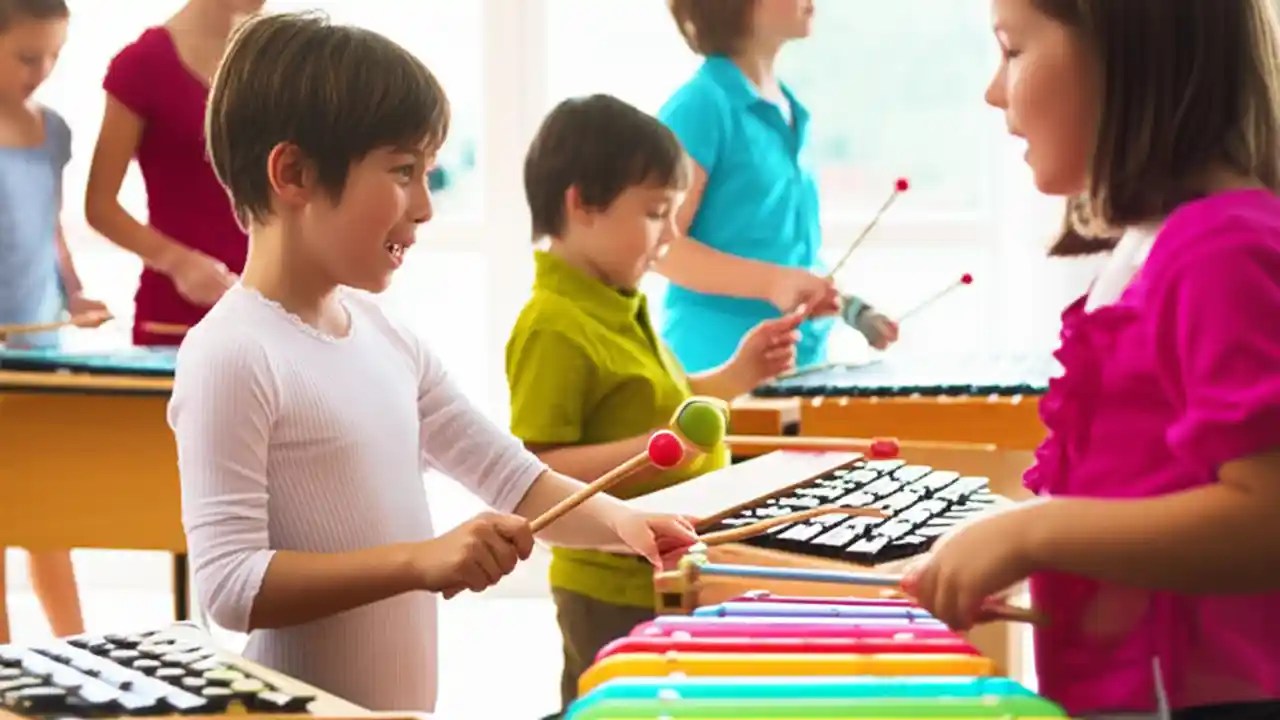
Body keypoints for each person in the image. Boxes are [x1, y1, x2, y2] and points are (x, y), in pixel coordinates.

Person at [168, 12, 698, 713]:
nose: (424, 207)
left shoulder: (388, 338)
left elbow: (512, 475)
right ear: (292, 172)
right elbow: (231, 587)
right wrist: (421, 559)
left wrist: (624, 527)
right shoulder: (231, 353)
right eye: (403, 171)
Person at [903, 0, 1280, 717]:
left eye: (1012, 51)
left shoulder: (1222, 250)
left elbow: (1270, 517)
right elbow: (1138, 493)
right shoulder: (1154, 246)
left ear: (1127, 54)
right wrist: (1003, 542)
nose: (993, 90)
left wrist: (1032, 534)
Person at [507, 93, 803, 716]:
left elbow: (667, 406)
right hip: (610, 583)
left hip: (669, 567)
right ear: (582, 202)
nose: (669, 236)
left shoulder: (619, 304)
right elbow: (536, 470)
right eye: (654, 214)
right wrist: (658, 451)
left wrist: (734, 374)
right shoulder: (552, 325)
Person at [653, 0, 897, 375]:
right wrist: (773, 283)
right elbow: (661, 247)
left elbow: (785, 252)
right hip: (715, 370)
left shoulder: (791, 109)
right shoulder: (699, 107)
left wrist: (851, 309)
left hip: (799, 366)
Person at [0, 0, 101, 645]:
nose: (42, 70)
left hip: (39, 346)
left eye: (54, 57)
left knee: (49, 517)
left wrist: (77, 294)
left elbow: (50, 227)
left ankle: (79, 656)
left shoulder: (56, 130)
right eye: (26, 57)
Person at [84, 0, 264, 347]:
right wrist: (179, 263)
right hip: (180, 310)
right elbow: (100, 206)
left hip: (273, 304)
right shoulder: (141, 65)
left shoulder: (283, 58)